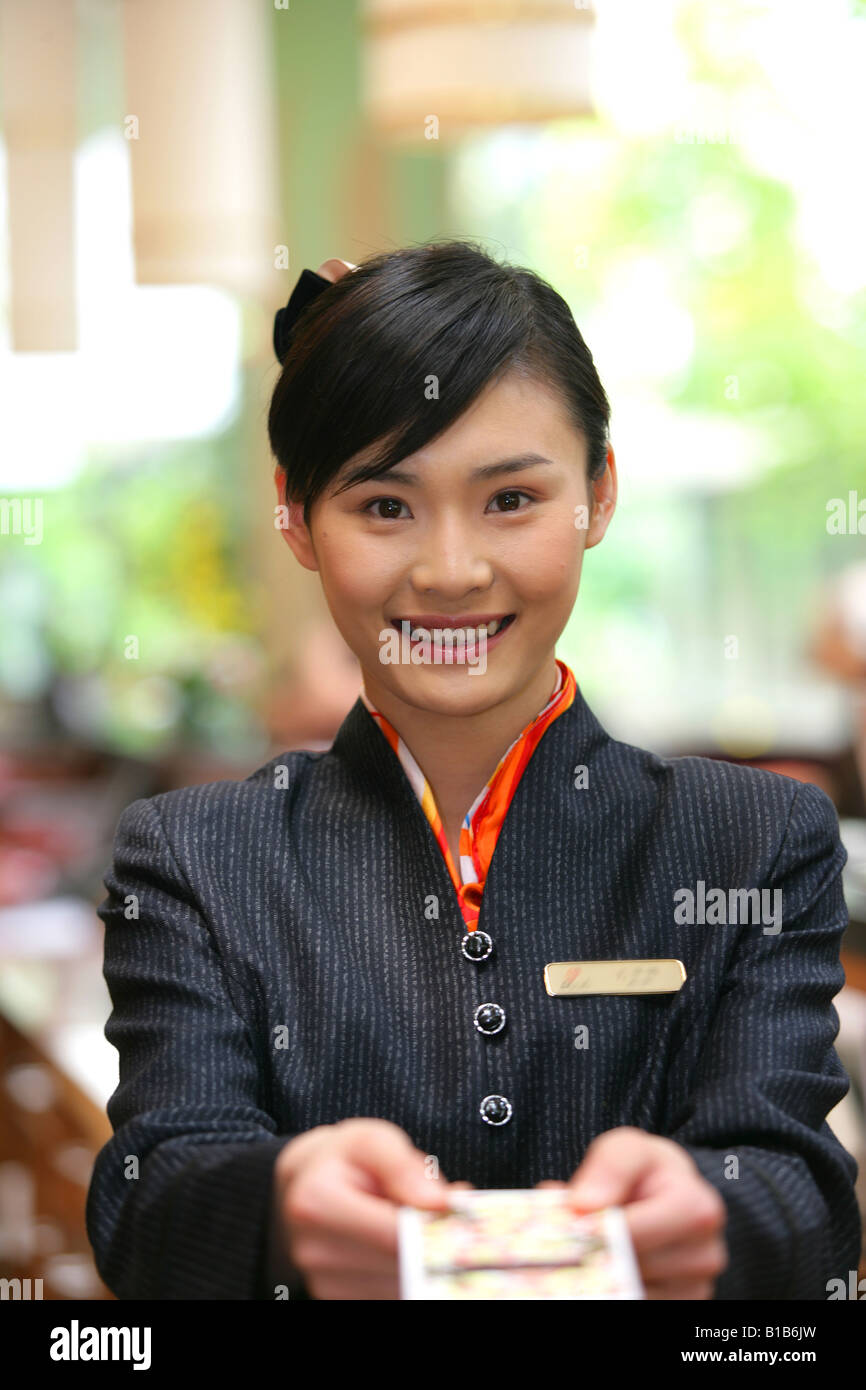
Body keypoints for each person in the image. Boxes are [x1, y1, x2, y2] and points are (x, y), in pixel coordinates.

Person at [85, 240, 861, 1301]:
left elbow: (803, 1193)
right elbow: (148, 1192)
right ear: (298, 518)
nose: (450, 572)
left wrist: (713, 1207)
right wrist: (279, 1197)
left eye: (509, 500)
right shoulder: (194, 855)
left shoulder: (754, 837)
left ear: (596, 495)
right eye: (384, 506)